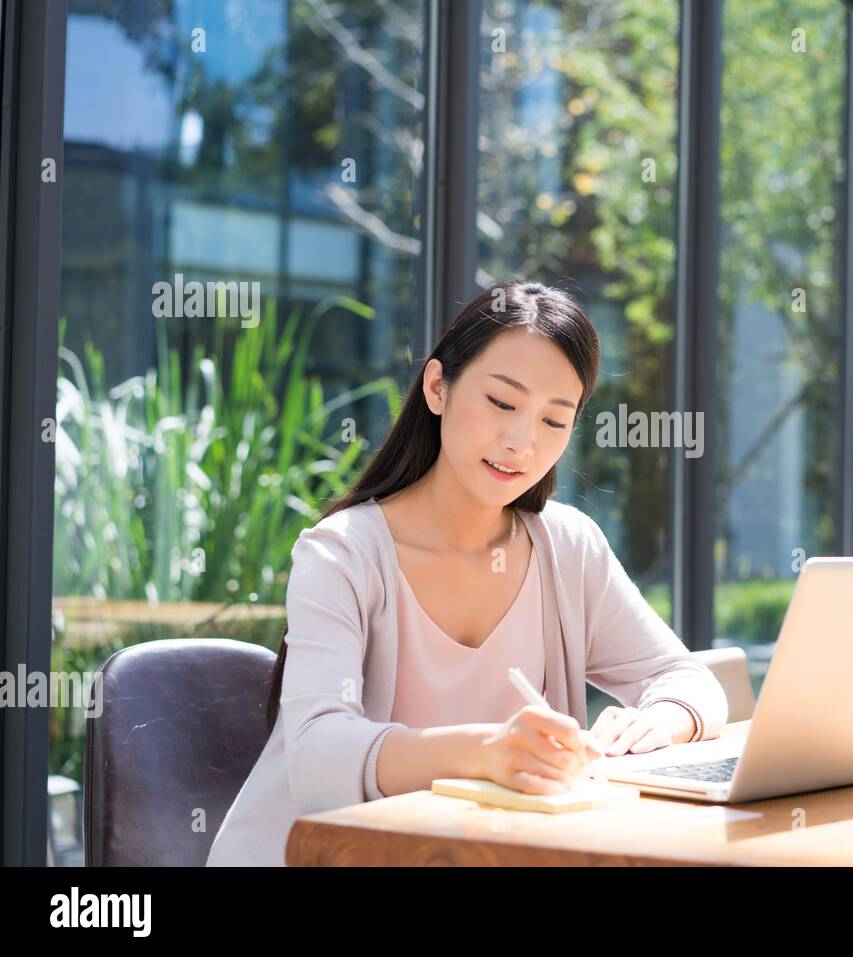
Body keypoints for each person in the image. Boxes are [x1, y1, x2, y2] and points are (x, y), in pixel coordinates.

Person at [205, 280, 728, 866]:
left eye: (554, 422)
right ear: (438, 388)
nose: (520, 442)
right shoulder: (342, 554)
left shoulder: (568, 548)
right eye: (502, 404)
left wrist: (660, 721)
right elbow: (316, 755)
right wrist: (485, 751)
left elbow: (688, 679)